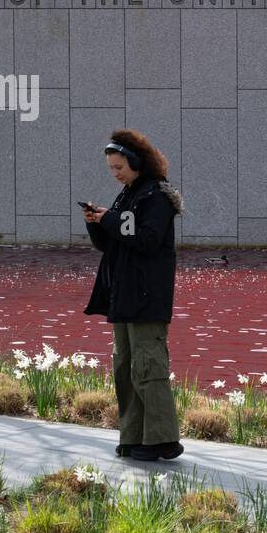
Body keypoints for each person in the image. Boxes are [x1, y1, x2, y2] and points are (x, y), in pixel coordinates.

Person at [82, 129, 185, 461]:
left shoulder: (157, 197)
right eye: (111, 168)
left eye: (119, 167)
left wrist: (109, 220)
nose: (115, 174)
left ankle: (162, 440)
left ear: (137, 162)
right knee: (125, 368)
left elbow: (148, 240)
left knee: (147, 367)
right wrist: (96, 223)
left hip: (146, 297)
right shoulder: (128, 194)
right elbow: (111, 242)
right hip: (124, 295)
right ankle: (134, 436)